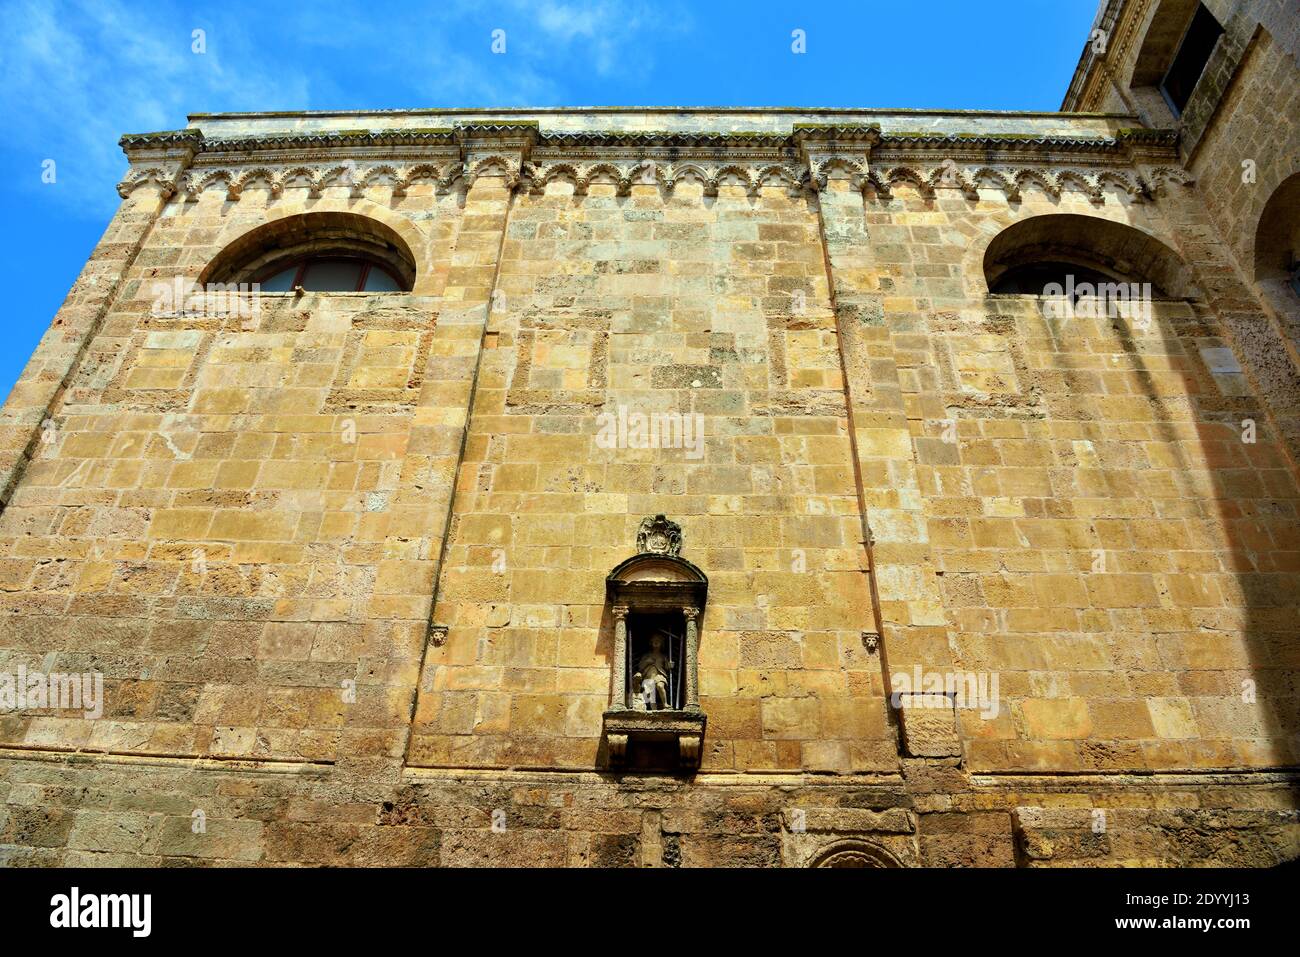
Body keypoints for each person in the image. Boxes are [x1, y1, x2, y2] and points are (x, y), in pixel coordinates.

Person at [632, 631, 674, 710]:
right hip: (648, 676)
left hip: (659, 675)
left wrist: (669, 665)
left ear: (662, 643)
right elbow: (640, 667)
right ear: (651, 643)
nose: (656, 642)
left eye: (658, 641)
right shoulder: (647, 655)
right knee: (650, 692)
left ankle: (665, 704)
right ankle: (653, 708)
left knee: (660, 686)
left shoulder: (663, 656)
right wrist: (647, 662)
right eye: (654, 641)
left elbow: (666, 667)